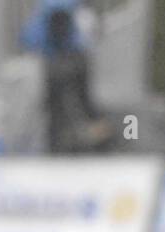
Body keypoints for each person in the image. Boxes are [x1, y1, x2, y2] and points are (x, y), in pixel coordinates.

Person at [43, 4, 113, 154]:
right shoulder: (79, 9)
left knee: (55, 106)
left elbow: (30, 37)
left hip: (55, 61)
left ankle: (56, 144)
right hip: (78, 59)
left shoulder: (46, 7)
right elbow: (93, 33)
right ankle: (102, 143)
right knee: (85, 104)